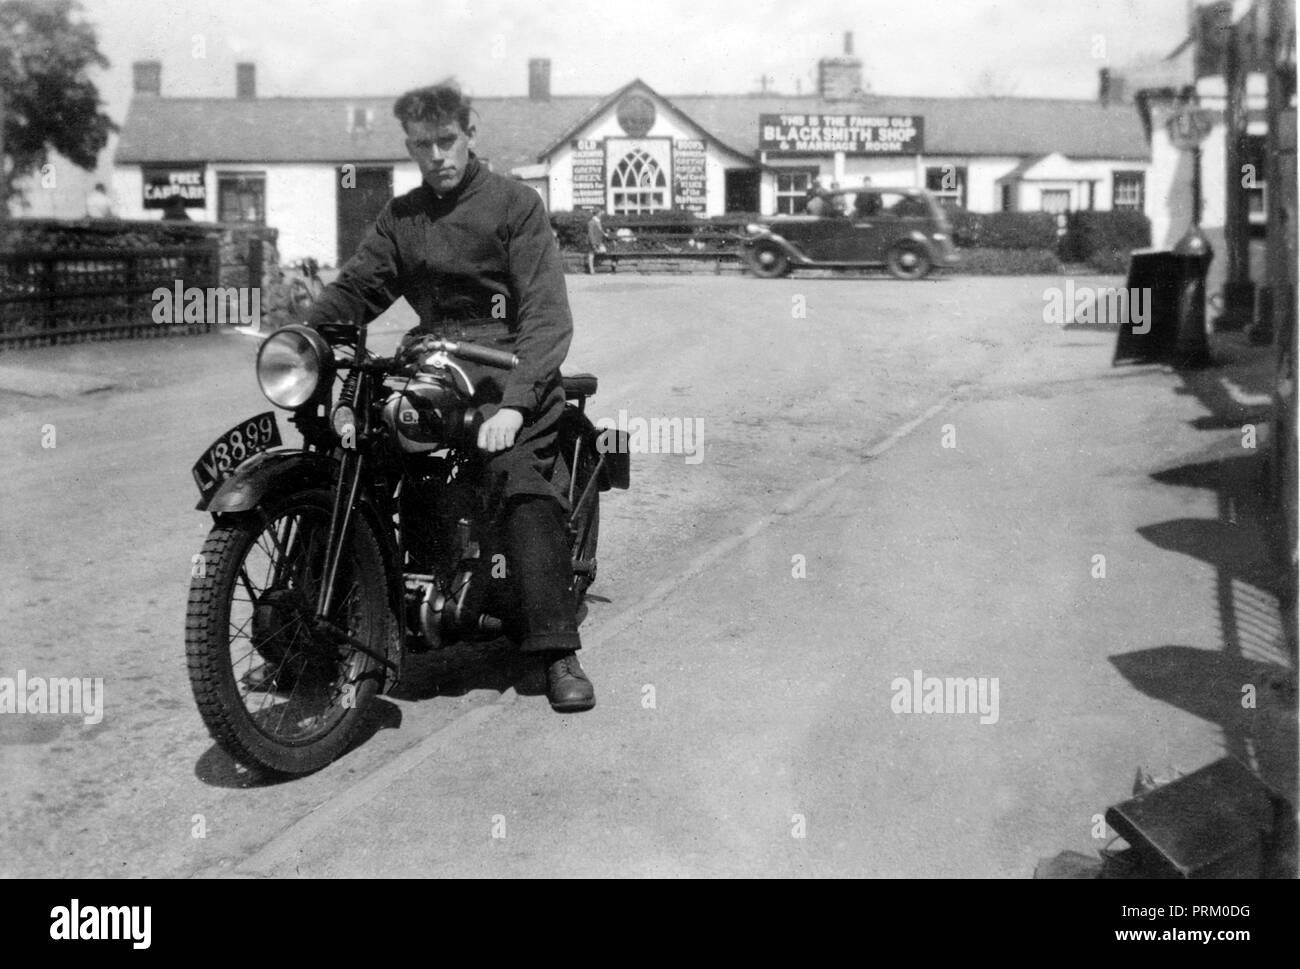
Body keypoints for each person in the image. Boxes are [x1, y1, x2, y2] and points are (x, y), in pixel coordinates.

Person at [304, 84, 595, 713]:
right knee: (359, 451)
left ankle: (554, 650)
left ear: (471, 132)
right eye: (421, 145)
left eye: (446, 141)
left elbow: (547, 316)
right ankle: (330, 619)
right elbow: (358, 287)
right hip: (432, 360)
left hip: (507, 363)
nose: (435, 155)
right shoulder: (403, 216)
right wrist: (305, 334)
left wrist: (516, 405)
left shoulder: (516, 205)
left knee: (515, 473)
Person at [585, 209, 609, 274]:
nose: (601, 214)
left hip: (598, 241)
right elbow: (590, 234)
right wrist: (593, 244)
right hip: (592, 241)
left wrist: (604, 234)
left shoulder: (598, 221)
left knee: (602, 250)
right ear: (597, 214)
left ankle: (592, 267)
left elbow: (600, 230)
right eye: (600, 213)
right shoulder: (592, 222)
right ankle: (591, 269)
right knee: (591, 254)